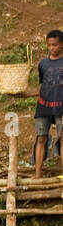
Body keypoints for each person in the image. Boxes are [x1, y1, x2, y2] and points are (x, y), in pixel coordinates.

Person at [34, 29, 63, 179]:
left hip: (61, 106)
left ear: (62, 45)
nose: (52, 48)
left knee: (62, 138)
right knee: (41, 138)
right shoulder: (43, 64)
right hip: (44, 105)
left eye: (55, 45)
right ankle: (38, 174)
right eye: (49, 45)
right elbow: (42, 85)